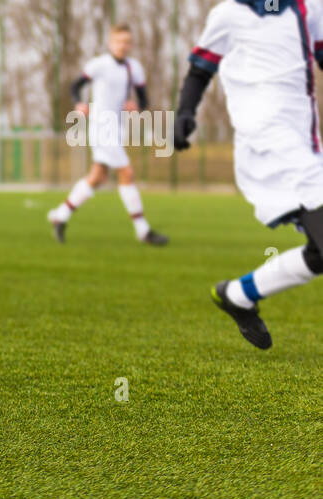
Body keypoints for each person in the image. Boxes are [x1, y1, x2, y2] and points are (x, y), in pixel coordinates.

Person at [179, 0, 323, 350]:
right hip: (265, 142)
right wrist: (185, 112)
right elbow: (200, 69)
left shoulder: (310, 8)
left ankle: (238, 295)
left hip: (304, 142)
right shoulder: (227, 14)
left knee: (320, 252)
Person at [48, 24, 168, 246]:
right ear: (111, 43)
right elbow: (76, 86)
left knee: (98, 176)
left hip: (118, 127)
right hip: (101, 126)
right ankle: (143, 230)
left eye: (127, 42)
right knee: (127, 172)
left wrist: (137, 106)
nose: (123, 46)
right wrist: (79, 103)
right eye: (119, 41)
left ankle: (60, 215)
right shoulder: (98, 65)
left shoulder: (135, 68)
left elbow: (143, 99)